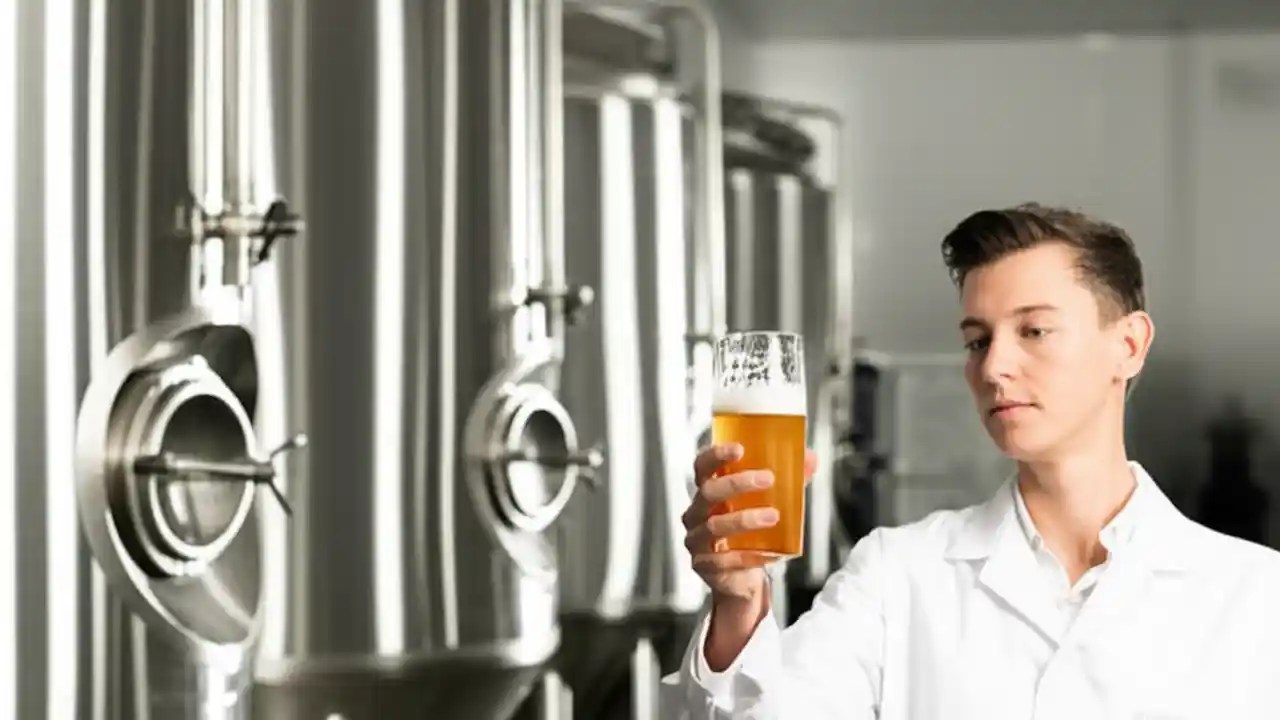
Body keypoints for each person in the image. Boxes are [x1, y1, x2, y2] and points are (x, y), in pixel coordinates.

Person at [662, 204, 1280, 719]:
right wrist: (740, 602)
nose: (993, 366)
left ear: (1128, 345)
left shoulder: (1255, 598)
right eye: (977, 341)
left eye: (1033, 331)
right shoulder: (896, 576)